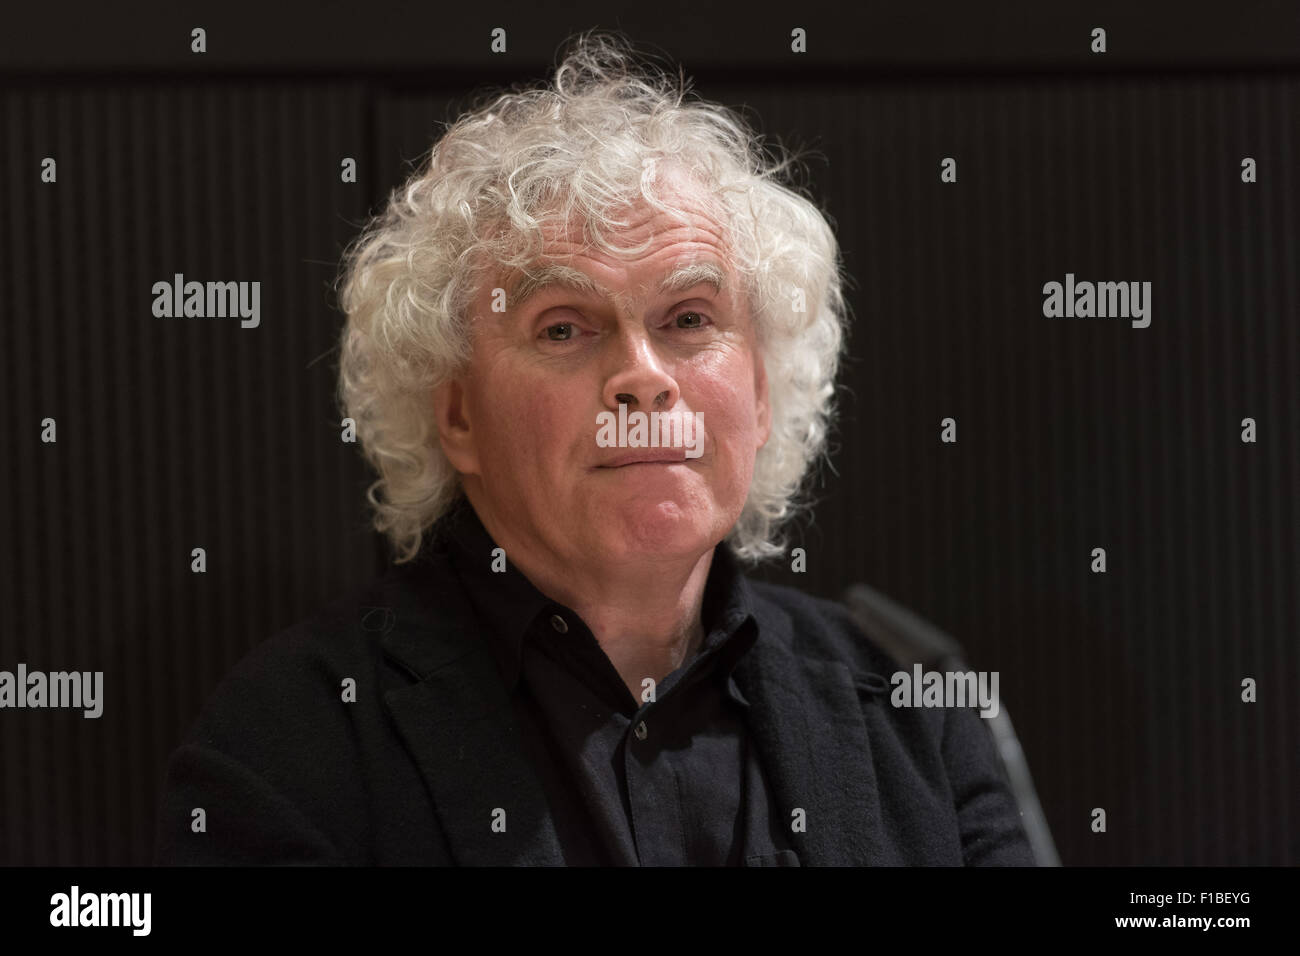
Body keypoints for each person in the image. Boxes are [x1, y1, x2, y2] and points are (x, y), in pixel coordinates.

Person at [154, 30, 1034, 866]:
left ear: (761, 395)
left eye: (690, 319)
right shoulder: (292, 742)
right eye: (565, 328)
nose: (643, 378)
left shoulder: (916, 705)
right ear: (456, 415)